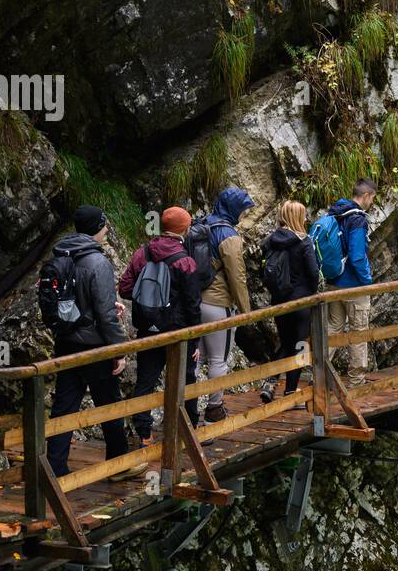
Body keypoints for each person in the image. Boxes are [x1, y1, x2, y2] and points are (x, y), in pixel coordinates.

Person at [43, 205, 133, 479]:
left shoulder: (60, 255)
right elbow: (106, 315)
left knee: (64, 407)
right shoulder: (97, 262)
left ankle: (54, 468)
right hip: (94, 346)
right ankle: (118, 465)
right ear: (97, 228)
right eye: (104, 225)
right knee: (109, 404)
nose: (107, 230)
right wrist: (119, 349)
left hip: (66, 342)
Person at [118, 206, 203, 443]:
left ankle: (144, 434)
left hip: (148, 329)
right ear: (184, 229)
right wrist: (195, 339)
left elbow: (125, 288)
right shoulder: (185, 261)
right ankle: (188, 430)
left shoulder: (141, 253)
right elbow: (193, 305)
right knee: (185, 380)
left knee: (145, 381)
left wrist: (149, 300)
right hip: (178, 333)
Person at [195, 186, 255, 424]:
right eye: (243, 210)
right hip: (218, 304)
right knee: (218, 359)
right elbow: (237, 277)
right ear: (234, 209)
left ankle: (188, 410)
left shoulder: (201, 225)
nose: (244, 215)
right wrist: (246, 312)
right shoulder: (228, 236)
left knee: (196, 358)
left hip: (195, 302)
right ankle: (213, 411)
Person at [258, 201, 319, 404]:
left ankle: (270, 381)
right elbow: (313, 272)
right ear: (298, 217)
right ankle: (291, 393)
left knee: (285, 343)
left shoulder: (269, 241)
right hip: (301, 301)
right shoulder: (304, 241)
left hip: (280, 301)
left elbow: (263, 271)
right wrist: (311, 291)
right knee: (300, 345)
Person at [322, 178, 376, 387]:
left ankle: (318, 373)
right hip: (354, 285)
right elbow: (357, 255)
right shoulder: (358, 219)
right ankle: (356, 381)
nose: (371, 203)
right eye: (372, 198)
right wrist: (367, 281)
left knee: (333, 329)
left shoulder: (334, 213)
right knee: (358, 332)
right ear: (366, 196)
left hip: (333, 281)